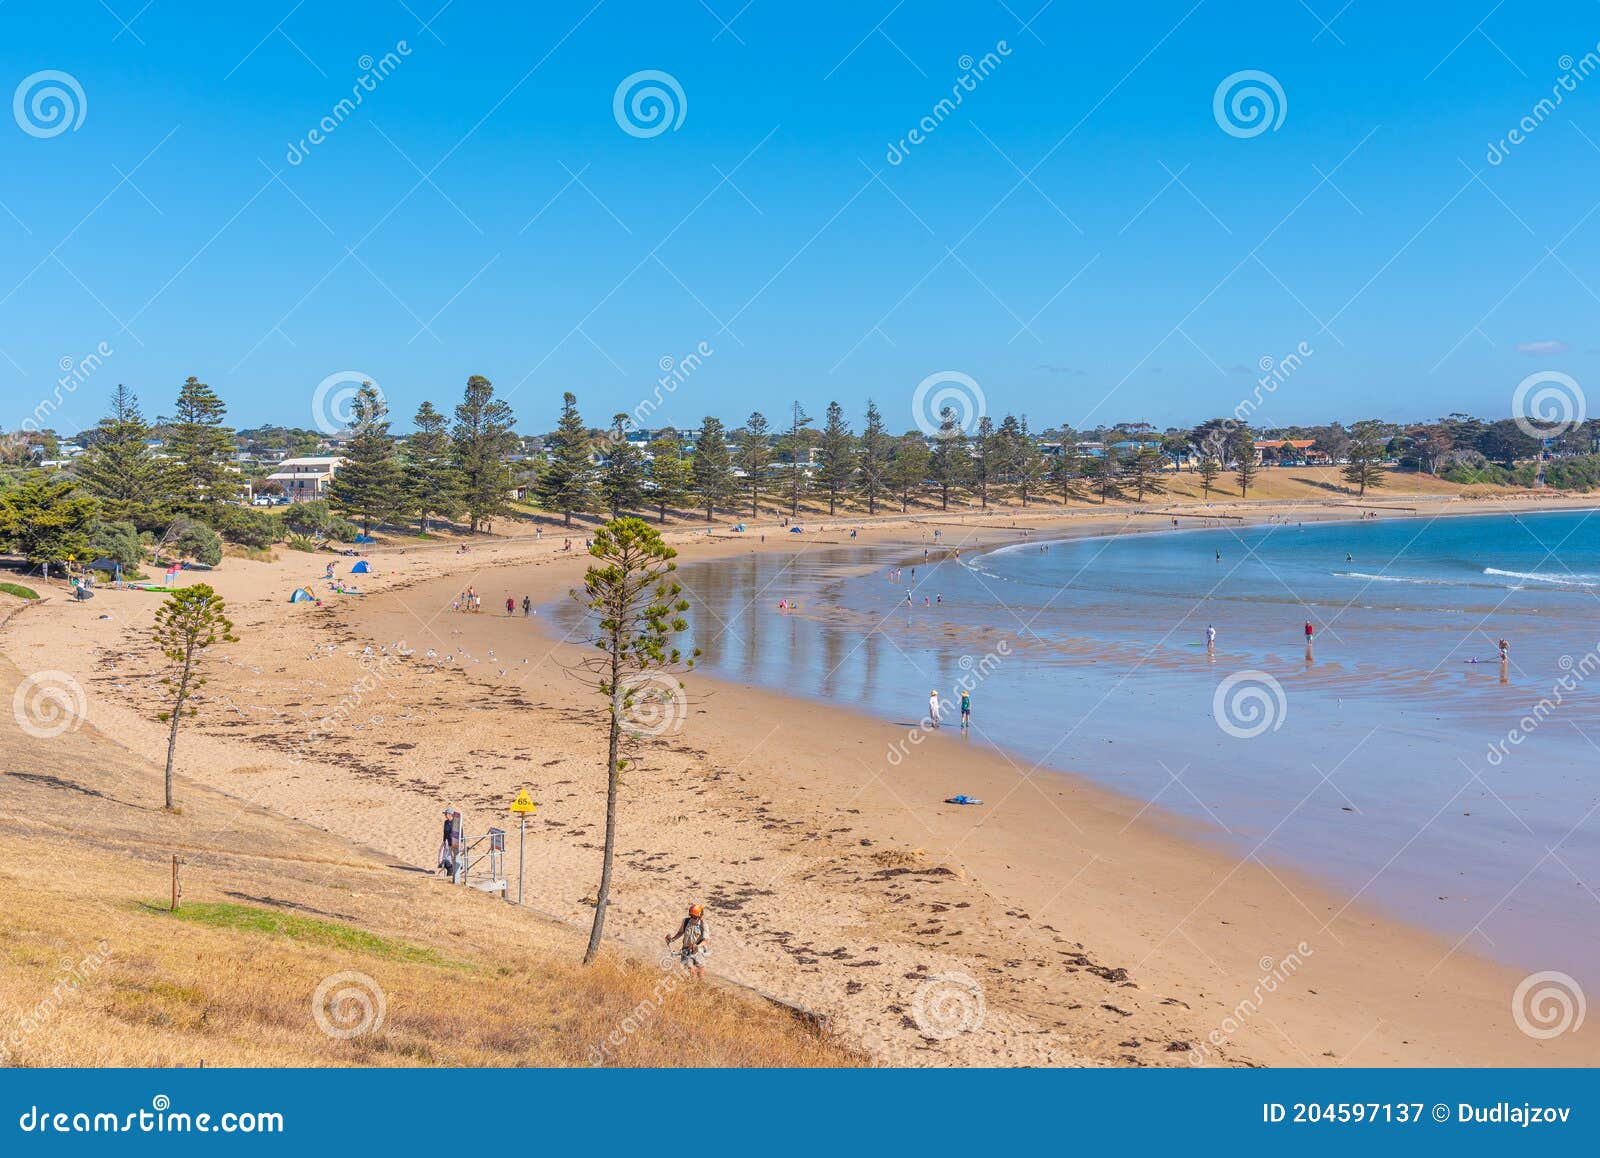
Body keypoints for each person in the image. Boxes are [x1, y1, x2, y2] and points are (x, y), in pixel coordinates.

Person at [666, 904, 709, 978]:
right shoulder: (685, 921)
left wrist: (697, 946)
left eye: (694, 917)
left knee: (700, 972)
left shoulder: (704, 925)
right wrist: (672, 939)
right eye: (691, 916)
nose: (692, 918)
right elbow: (680, 932)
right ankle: (691, 985)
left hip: (698, 951)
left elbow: (705, 941)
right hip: (686, 951)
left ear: (700, 916)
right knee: (690, 971)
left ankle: (700, 987)